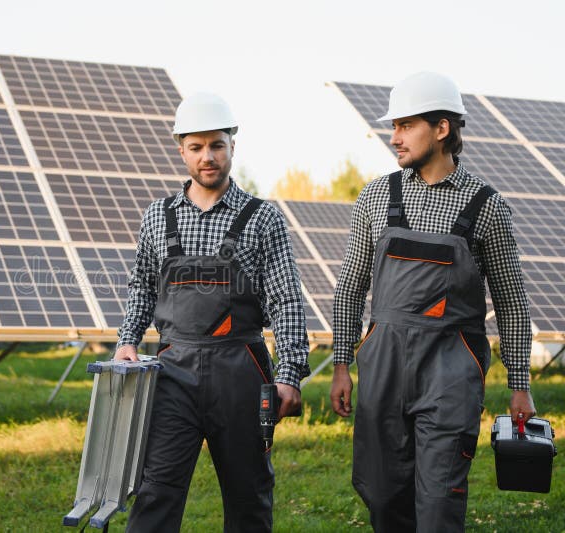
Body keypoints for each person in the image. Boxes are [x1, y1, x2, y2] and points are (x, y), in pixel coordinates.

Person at [330, 71, 536, 532]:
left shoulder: (486, 206)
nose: (395, 137)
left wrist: (519, 383)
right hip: (383, 373)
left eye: (406, 125)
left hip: (450, 376)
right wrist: (341, 364)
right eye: (394, 127)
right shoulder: (375, 197)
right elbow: (349, 287)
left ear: (442, 128)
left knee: (439, 503)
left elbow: (511, 302)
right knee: (382, 496)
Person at [114, 92, 310, 532]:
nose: (208, 156)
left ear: (232, 146)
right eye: (197, 146)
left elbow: (286, 300)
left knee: (248, 495)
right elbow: (142, 286)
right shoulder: (158, 216)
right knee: (155, 491)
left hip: (241, 372)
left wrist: (289, 373)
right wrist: (128, 340)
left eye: (217, 145)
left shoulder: (263, 218)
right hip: (173, 372)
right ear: (181, 150)